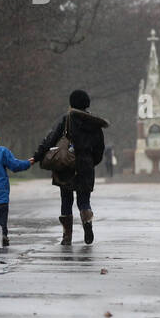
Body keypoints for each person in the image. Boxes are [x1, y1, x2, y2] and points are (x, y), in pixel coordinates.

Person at [33, 90, 108, 246]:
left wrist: (38, 156)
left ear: (72, 103)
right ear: (87, 104)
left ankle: (67, 237)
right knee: (84, 200)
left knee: (66, 199)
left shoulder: (67, 120)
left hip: (66, 165)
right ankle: (87, 222)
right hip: (86, 165)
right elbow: (100, 148)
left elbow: (50, 139)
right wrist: (91, 162)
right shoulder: (95, 124)